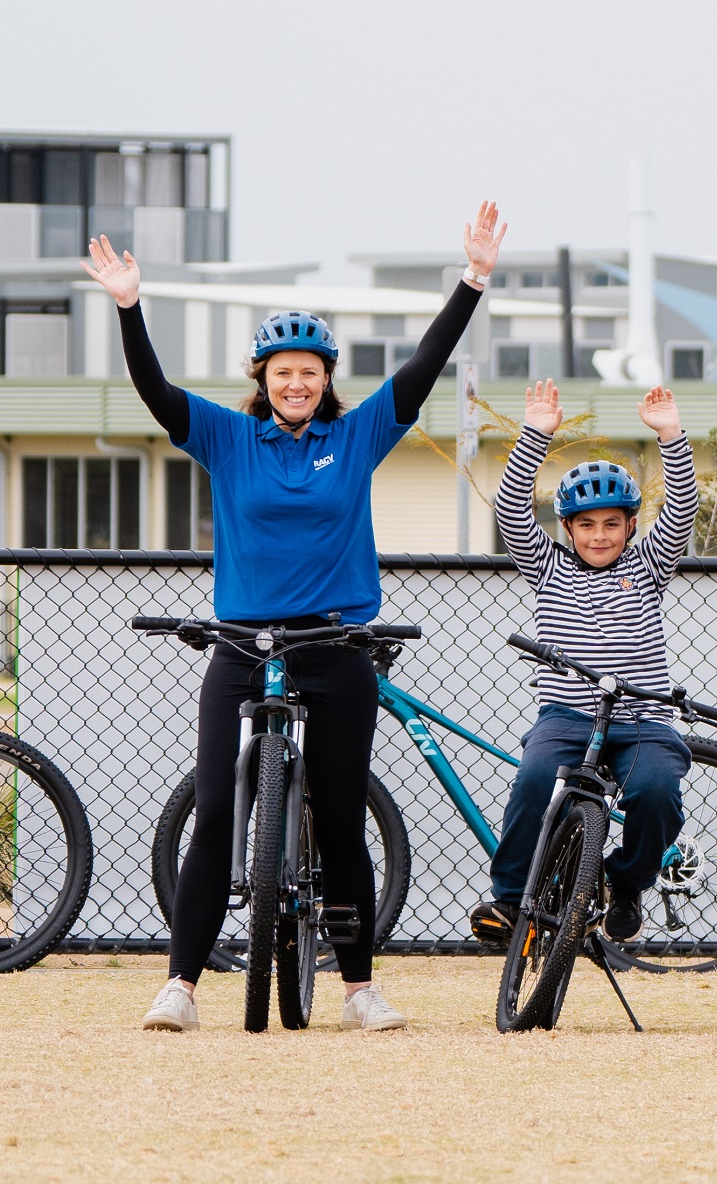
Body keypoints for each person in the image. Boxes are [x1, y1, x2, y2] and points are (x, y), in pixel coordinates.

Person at [101, 202, 511, 1033]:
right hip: (244, 646)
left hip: (335, 645)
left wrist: (472, 280)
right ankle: (179, 985)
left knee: (342, 810)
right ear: (263, 377)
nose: (297, 383)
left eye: (311, 371)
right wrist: (128, 307)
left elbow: (424, 367)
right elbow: (153, 391)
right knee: (215, 811)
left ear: (327, 378)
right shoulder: (225, 438)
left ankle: (360, 987)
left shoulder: (355, 437)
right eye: (283, 371)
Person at [470, 380, 699, 948]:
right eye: (587, 525)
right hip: (567, 718)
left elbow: (683, 509)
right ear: (567, 529)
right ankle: (507, 896)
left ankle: (625, 883)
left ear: (630, 527)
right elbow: (510, 510)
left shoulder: (648, 565)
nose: (600, 535)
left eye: (612, 524)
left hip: (643, 719)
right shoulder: (548, 567)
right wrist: (537, 434)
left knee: (656, 792)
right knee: (531, 780)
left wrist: (670, 434)